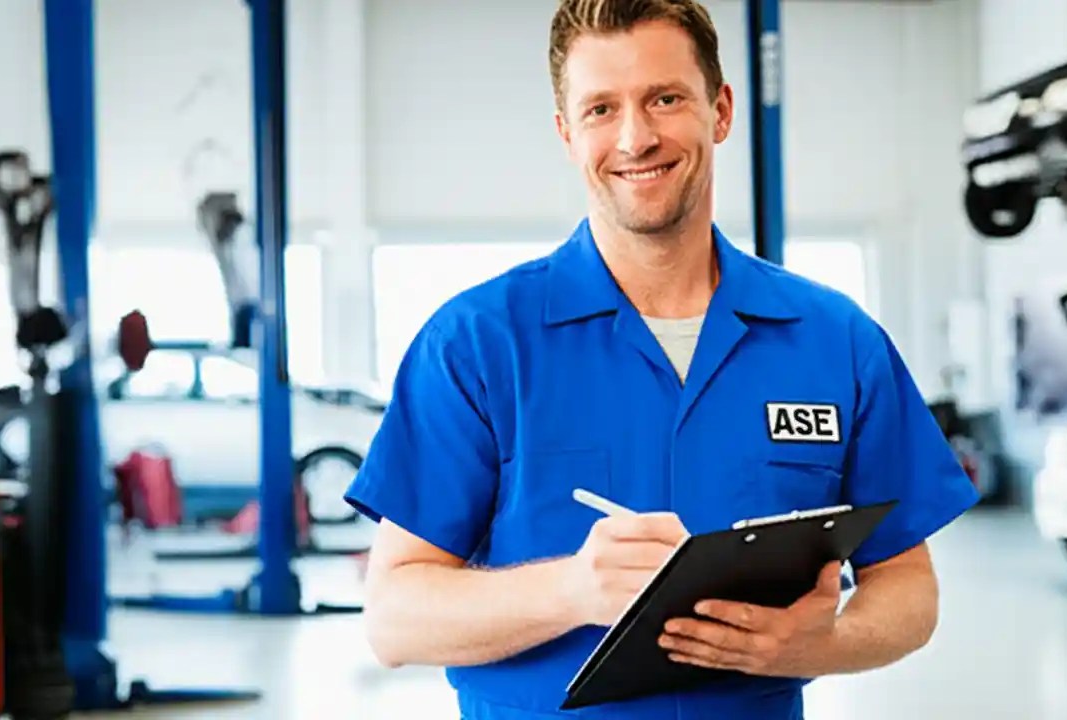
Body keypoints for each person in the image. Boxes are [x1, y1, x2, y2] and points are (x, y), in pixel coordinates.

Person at [343, 0, 980, 717]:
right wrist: (575, 589)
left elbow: (909, 588)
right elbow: (393, 616)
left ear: (722, 110)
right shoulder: (479, 344)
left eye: (665, 99)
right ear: (566, 133)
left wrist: (816, 645)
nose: (636, 137)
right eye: (600, 110)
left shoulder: (836, 340)